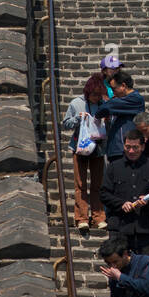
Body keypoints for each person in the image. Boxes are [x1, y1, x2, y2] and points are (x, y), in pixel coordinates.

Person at [100, 131, 149, 256]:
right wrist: (121, 204)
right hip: (120, 227)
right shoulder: (114, 167)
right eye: (127, 147)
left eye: (135, 147)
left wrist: (148, 200)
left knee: (147, 268)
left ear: (142, 147)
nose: (131, 151)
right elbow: (104, 193)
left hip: (145, 227)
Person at [61, 88, 107, 233]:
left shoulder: (104, 105)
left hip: (98, 149)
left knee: (97, 183)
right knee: (80, 184)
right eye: (94, 94)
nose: (96, 98)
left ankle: (98, 217)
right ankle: (82, 218)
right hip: (80, 147)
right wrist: (78, 119)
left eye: (98, 95)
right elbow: (66, 123)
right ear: (88, 93)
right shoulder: (76, 103)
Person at [94, 69, 146, 161]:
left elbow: (105, 108)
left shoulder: (135, 99)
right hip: (117, 149)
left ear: (123, 86)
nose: (113, 92)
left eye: (114, 89)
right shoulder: (122, 100)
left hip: (126, 150)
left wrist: (112, 101)